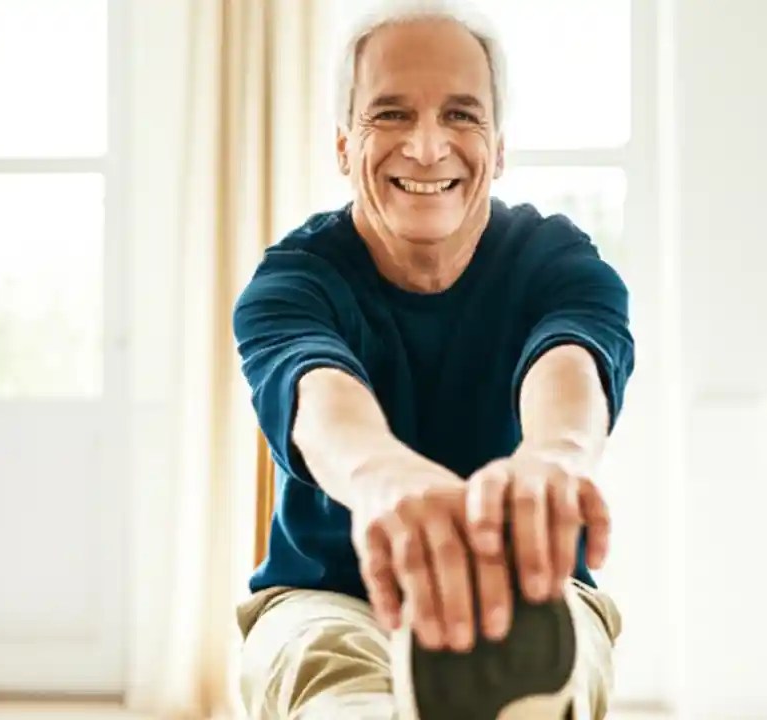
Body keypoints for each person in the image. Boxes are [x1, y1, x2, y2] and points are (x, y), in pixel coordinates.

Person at [233, 1, 632, 717]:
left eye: (460, 115)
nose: (425, 147)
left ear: (498, 148)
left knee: (556, 672)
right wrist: (383, 479)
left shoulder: (559, 264)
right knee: (337, 697)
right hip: (327, 596)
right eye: (390, 114)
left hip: (531, 592)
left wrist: (554, 458)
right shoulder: (292, 283)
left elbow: (570, 365)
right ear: (344, 147)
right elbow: (321, 398)